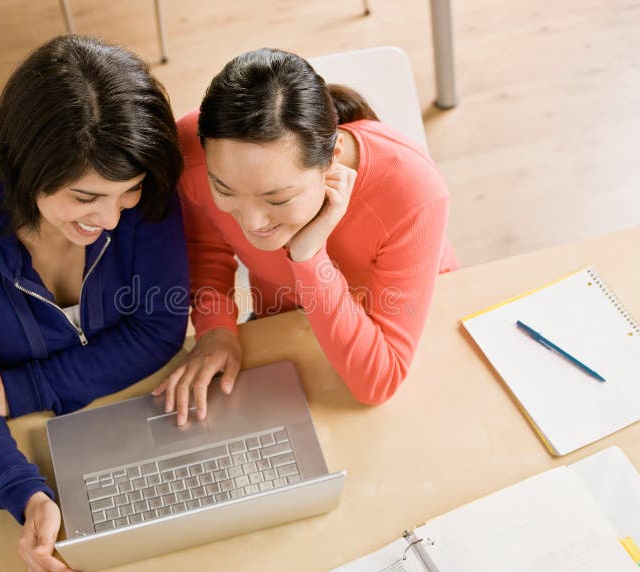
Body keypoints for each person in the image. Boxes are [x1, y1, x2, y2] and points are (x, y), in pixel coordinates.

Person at [0, 35, 188, 571]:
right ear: (27, 168)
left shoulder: (148, 191)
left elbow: (158, 330)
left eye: (127, 192)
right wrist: (27, 495)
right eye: (84, 198)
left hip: (138, 427)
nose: (111, 220)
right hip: (26, 447)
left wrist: (14, 388)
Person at [153, 48, 458, 425]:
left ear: (333, 159)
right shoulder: (193, 151)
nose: (251, 222)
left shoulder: (413, 193)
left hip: (403, 326)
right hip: (286, 320)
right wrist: (216, 329)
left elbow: (378, 381)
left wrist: (309, 256)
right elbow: (207, 246)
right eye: (225, 190)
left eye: (277, 198)